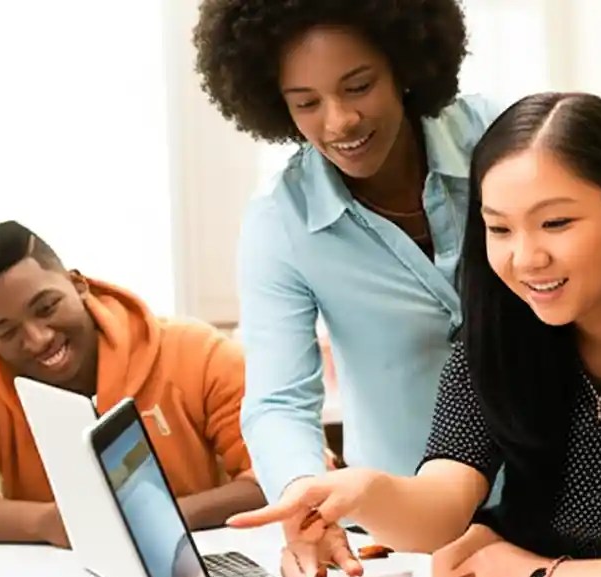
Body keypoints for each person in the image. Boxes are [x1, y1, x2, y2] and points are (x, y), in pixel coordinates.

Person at [230, 92, 601, 577]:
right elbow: (441, 505)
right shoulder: (499, 340)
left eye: (556, 223)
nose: (526, 258)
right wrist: (364, 493)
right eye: (499, 229)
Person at [193, 0, 500, 517]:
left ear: (403, 64)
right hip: (405, 526)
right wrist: (303, 496)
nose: (339, 121)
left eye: (358, 86)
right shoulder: (281, 222)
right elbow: (279, 402)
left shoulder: (497, 138)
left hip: (559, 504)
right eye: (306, 102)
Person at [0, 221, 264, 546]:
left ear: (79, 285)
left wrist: (161, 520)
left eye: (46, 308)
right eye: (7, 332)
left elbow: (279, 472)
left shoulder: (195, 351)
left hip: (193, 564)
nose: (38, 339)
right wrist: (45, 523)